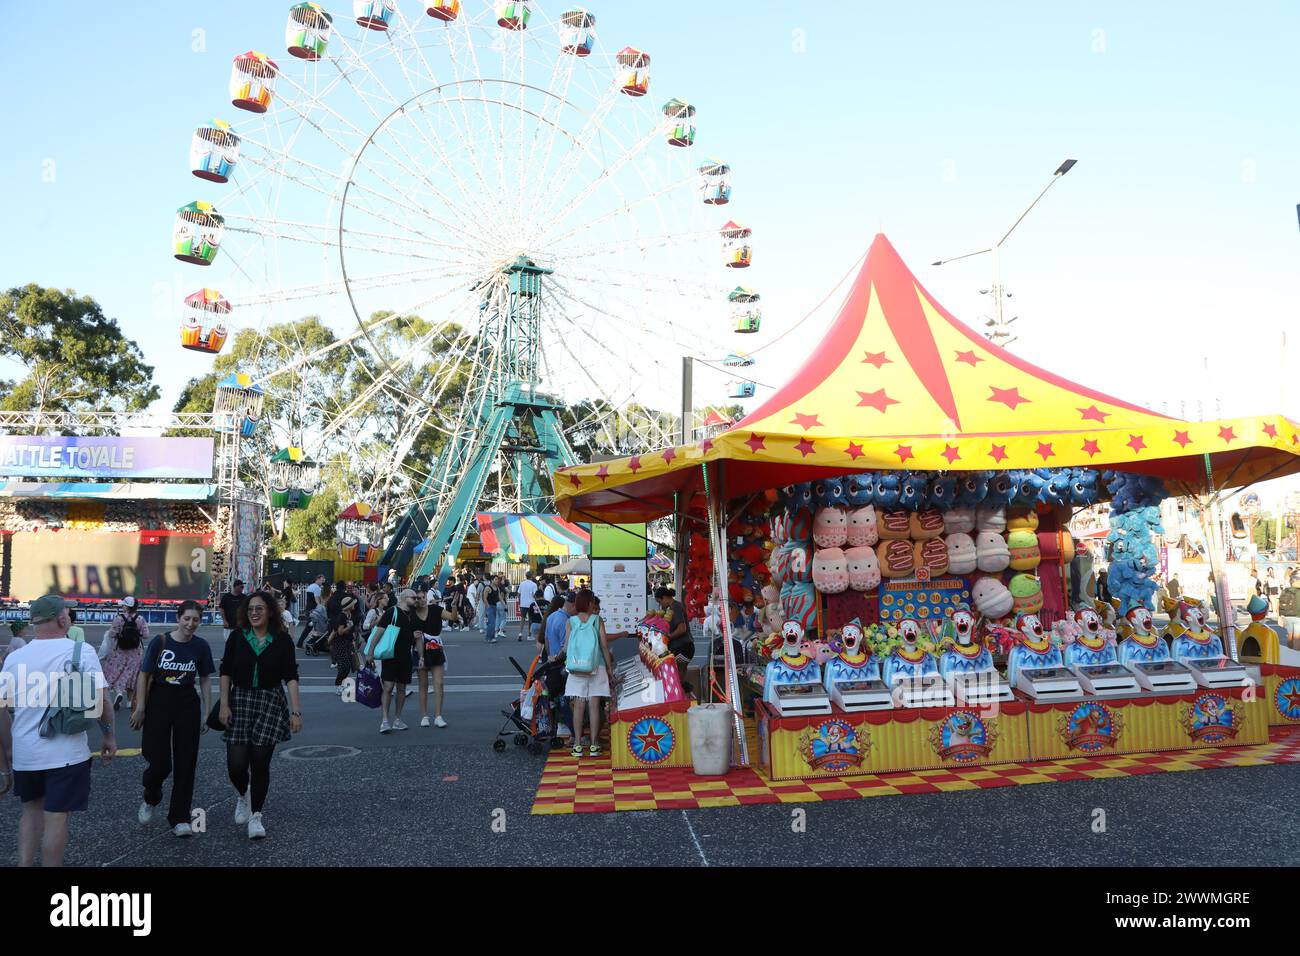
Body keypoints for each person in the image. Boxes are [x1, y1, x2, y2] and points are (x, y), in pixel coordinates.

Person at [0, 594, 114, 866]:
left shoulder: (15, 658)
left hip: (27, 754)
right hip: (67, 754)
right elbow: (102, 700)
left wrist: (6, 759)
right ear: (62, 619)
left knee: (30, 813)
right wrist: (109, 735)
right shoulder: (81, 651)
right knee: (56, 817)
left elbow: (1, 710)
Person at [218, 589, 302, 840]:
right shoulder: (237, 637)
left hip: (270, 700)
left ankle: (256, 816)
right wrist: (224, 704)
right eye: (250, 609)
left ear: (270, 612)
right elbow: (225, 672)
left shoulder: (282, 639)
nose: (254, 613)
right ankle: (243, 794)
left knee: (260, 762)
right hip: (240, 699)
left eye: (259, 608)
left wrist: (296, 711)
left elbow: (291, 676)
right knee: (236, 764)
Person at [131, 600, 214, 838]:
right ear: (178, 618)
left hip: (187, 703)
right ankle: (151, 795)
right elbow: (144, 674)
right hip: (159, 701)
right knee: (159, 763)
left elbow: (206, 679)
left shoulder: (201, 646)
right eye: (187, 618)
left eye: (196, 620)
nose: (190, 624)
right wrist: (140, 707)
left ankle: (180, 817)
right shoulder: (161, 641)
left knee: (186, 763)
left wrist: (207, 712)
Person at [561, 590, 617, 758]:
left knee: (578, 706)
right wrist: (609, 668)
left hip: (576, 667)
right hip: (596, 666)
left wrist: (559, 657)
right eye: (593, 601)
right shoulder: (597, 620)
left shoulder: (571, 621)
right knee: (594, 706)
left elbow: (566, 647)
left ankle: (577, 745)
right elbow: (604, 647)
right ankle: (594, 745)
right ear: (590, 603)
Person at [365, 588, 416, 733]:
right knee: (387, 688)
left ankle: (398, 720)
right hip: (390, 656)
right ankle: (385, 720)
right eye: (414, 598)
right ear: (405, 598)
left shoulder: (412, 614)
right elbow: (378, 633)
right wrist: (370, 653)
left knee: (401, 689)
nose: (416, 600)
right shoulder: (392, 612)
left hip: (406, 657)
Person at [99, 596, 149, 713]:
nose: (122, 606)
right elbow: (146, 635)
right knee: (131, 675)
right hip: (136, 652)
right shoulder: (140, 619)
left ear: (127, 606)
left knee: (117, 672)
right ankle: (130, 701)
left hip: (119, 651)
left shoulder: (118, 618)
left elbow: (112, 634)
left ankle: (119, 693)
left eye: (123, 604)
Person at [411, 587, 447, 728]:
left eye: (422, 597)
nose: (421, 600)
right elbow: (406, 631)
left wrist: (455, 606)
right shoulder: (412, 614)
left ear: (426, 596)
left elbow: (453, 617)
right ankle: (424, 716)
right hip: (420, 651)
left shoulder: (435, 610)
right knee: (423, 685)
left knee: (439, 683)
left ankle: (438, 716)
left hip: (435, 649)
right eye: (417, 598)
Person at [542, 592, 576, 738]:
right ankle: (567, 727)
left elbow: (547, 641)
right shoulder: (565, 622)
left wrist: (549, 658)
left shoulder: (551, 616)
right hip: (562, 665)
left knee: (556, 698)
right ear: (572, 605)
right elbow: (566, 648)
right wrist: (558, 658)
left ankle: (560, 725)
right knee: (564, 699)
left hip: (552, 665)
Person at [653, 586, 695, 688]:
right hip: (682, 646)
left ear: (664, 597)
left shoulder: (675, 607)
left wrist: (669, 637)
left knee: (677, 676)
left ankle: (678, 695)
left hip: (682, 646)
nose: (660, 605)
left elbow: (682, 628)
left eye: (659, 602)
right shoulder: (673, 607)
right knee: (678, 676)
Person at [298, 573, 326, 648]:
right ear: (317, 579)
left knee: (311, 628)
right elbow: (317, 600)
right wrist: (321, 608)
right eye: (321, 580)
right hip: (313, 611)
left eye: (323, 580)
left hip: (309, 609)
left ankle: (303, 643)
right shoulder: (317, 588)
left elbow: (309, 600)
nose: (322, 582)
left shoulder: (310, 586)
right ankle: (302, 643)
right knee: (311, 628)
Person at [517, 571, 540, 643]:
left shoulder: (522, 583)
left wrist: (520, 602)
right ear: (532, 576)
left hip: (523, 604)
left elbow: (519, 594)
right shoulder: (534, 584)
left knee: (522, 619)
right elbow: (535, 595)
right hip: (531, 603)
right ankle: (529, 635)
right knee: (531, 620)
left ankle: (520, 633)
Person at [1280, 571, 1300, 648]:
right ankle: (1297, 655)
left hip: (1287, 616)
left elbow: (1281, 602)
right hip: (1298, 616)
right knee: (1297, 637)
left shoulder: (1285, 590)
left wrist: (1281, 616)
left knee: (1290, 635)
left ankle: (1290, 651)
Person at [482, 575, 502, 644]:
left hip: (494, 606)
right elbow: (484, 598)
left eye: (497, 579)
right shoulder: (488, 588)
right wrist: (488, 606)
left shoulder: (497, 588)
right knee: (492, 623)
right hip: (489, 606)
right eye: (495, 579)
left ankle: (489, 637)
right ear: (492, 580)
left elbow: (500, 597)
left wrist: (504, 605)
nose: (497, 581)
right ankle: (491, 638)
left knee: (491, 623)